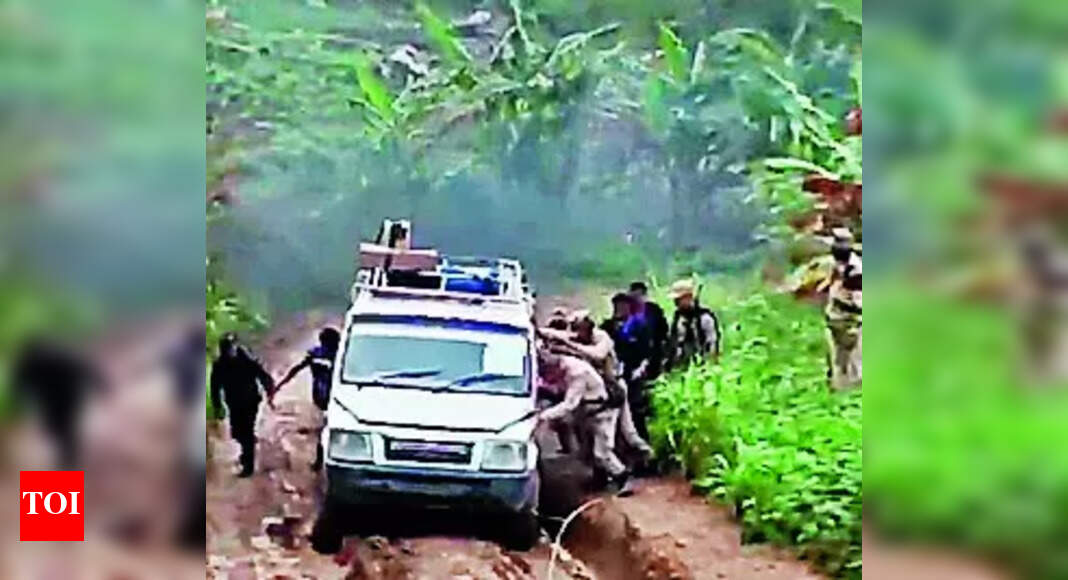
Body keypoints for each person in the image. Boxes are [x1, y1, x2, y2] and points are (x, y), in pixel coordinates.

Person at [541, 311, 654, 465]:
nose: (576, 333)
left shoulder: (601, 337)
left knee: (627, 432)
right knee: (592, 435)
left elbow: (597, 355)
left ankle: (650, 458)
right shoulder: (578, 339)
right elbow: (559, 335)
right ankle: (607, 466)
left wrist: (570, 346)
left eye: (578, 328)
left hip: (613, 386)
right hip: (595, 388)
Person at [536, 349, 632, 495]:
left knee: (602, 452)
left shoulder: (577, 373)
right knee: (587, 451)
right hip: (587, 413)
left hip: (602, 412)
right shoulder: (564, 369)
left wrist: (544, 415)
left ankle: (623, 477)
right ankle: (600, 480)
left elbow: (570, 404)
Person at [11, 338, 103, 468]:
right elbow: (84, 367)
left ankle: (66, 459)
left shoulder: (31, 360)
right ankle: (68, 457)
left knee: (58, 428)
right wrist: (101, 384)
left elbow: (19, 382)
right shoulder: (60, 355)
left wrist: (17, 400)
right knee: (64, 428)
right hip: (66, 397)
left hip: (54, 399)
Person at [270, 327, 341, 470]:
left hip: (323, 395)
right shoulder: (339, 355)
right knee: (328, 426)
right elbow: (296, 369)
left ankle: (322, 459)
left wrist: (279, 386)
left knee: (325, 426)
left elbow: (296, 369)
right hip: (331, 395)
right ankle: (325, 458)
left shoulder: (316, 354)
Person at [210, 333, 274, 477]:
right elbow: (215, 386)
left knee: (246, 431)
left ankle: (248, 464)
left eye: (230, 348)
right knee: (238, 432)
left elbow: (262, 375)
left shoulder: (246, 359)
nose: (229, 351)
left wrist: (269, 390)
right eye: (226, 348)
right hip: (234, 402)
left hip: (250, 400)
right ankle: (247, 451)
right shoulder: (220, 364)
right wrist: (217, 405)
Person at [826, 230, 862, 389]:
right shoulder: (836, 264)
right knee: (837, 361)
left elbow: (858, 302)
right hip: (836, 319)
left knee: (854, 363)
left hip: (852, 320)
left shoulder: (857, 270)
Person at [665, 280, 720, 371]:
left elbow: (712, 343)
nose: (676, 302)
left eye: (679, 299)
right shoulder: (677, 319)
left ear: (688, 297)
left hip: (701, 366)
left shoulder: (704, 318)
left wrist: (710, 366)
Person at [629, 281, 669, 380]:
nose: (637, 299)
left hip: (654, 351)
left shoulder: (654, 310)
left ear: (644, 295)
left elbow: (663, 330)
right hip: (635, 352)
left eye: (639, 295)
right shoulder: (629, 311)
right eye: (634, 296)